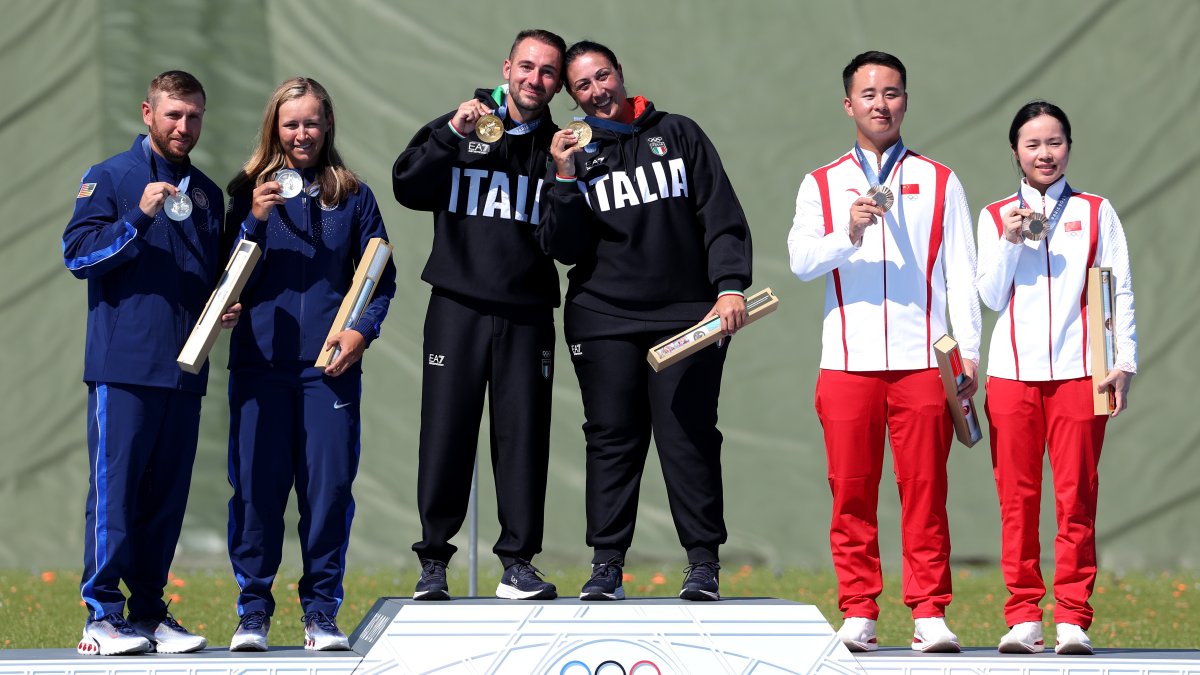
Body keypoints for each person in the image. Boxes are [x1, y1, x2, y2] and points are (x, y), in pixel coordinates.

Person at [543, 40, 752, 602]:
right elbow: (563, 247)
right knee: (612, 437)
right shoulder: (569, 154)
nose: (597, 91)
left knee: (687, 435)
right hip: (602, 317)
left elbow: (720, 214)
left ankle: (703, 564)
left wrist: (729, 286)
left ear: (620, 74)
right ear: (571, 96)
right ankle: (606, 565)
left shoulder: (678, 133)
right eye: (582, 86)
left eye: (602, 76)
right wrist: (564, 180)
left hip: (687, 317)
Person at [786, 51, 980, 652]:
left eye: (892, 93)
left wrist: (967, 354)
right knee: (852, 491)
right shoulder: (821, 182)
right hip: (847, 362)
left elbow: (962, 273)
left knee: (926, 490)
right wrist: (848, 230)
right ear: (849, 105)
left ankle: (929, 612)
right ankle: (860, 611)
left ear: (905, 101)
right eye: (868, 94)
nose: (880, 104)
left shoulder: (940, 179)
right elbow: (799, 263)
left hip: (924, 362)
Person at [63, 70, 238, 656]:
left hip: (185, 371)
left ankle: (149, 613)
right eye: (173, 115)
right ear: (147, 112)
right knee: (115, 494)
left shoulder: (209, 194)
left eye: (193, 116)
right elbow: (79, 257)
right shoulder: (110, 177)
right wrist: (136, 216)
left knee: (166, 499)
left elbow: (208, 276)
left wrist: (221, 308)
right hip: (124, 367)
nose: (183, 126)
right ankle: (101, 616)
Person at [392, 29, 566, 601]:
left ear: (557, 84)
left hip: (527, 313)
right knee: (445, 433)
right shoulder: (463, 123)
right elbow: (407, 186)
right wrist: (450, 136)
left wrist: (566, 177)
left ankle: (517, 563)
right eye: (526, 67)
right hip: (457, 305)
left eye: (547, 73)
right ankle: (433, 563)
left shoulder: (559, 147)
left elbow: (568, 239)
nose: (534, 80)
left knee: (522, 441)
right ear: (506, 67)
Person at [223, 77, 395, 651]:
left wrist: (360, 331)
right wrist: (251, 219)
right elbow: (219, 278)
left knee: (328, 491)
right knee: (255, 492)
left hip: (329, 372)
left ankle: (321, 613)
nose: (302, 134)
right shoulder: (246, 190)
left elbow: (380, 279)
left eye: (312, 122)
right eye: (291, 123)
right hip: (259, 367)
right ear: (275, 125)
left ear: (328, 126)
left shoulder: (353, 195)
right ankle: (252, 612)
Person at [977, 101, 1136, 656]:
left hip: (1080, 373)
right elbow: (991, 296)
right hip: (1012, 376)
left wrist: (1124, 361)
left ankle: (1072, 616)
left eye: (1055, 142)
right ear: (1016, 152)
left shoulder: (1096, 211)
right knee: (1016, 500)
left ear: (1069, 146)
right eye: (1033, 145)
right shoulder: (997, 215)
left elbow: (1120, 290)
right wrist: (1009, 240)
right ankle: (1023, 616)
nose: (1045, 154)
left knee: (1077, 498)